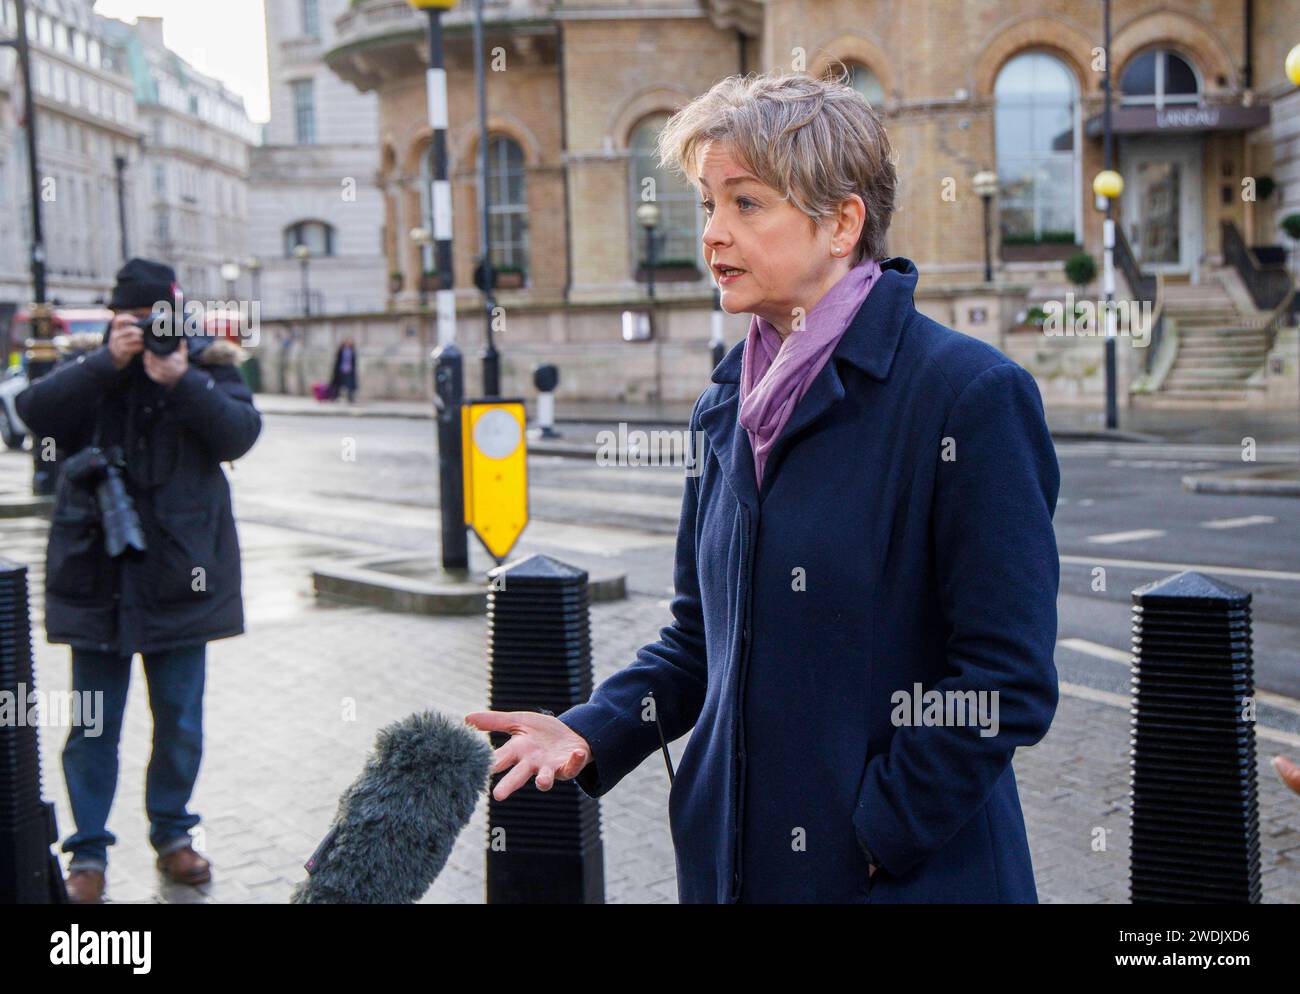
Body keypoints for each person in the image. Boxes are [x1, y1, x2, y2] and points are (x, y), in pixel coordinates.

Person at [467, 69, 1061, 903]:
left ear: (842, 223)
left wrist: (877, 831)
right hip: (733, 870)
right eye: (707, 203)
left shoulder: (967, 395)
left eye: (746, 203)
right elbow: (697, 640)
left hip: (900, 879)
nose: (713, 232)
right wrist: (589, 730)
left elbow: (1004, 680)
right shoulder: (724, 401)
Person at [15, 258, 262, 904]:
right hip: (98, 578)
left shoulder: (208, 366)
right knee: (93, 725)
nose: (149, 331)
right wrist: (107, 362)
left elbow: (240, 436)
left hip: (185, 578)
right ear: (116, 319)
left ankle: (175, 837)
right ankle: (87, 854)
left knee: (179, 721)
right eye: (135, 320)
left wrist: (179, 378)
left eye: (158, 319)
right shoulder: (90, 370)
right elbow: (32, 416)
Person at [329, 338, 358, 403]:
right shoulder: (341, 350)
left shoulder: (352, 351)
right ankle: (335, 397)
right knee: (338, 385)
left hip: (349, 370)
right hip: (341, 370)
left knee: (349, 385)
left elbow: (353, 362)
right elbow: (338, 360)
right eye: (347, 342)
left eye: (349, 342)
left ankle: (350, 398)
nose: (348, 343)